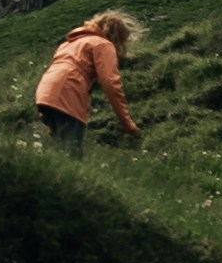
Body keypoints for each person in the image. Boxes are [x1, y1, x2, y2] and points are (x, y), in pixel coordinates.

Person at [33, 10, 143, 157]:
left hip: (46, 93)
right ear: (118, 37)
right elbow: (111, 83)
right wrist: (127, 122)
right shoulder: (103, 45)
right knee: (73, 154)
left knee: (61, 150)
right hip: (68, 92)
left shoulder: (69, 43)